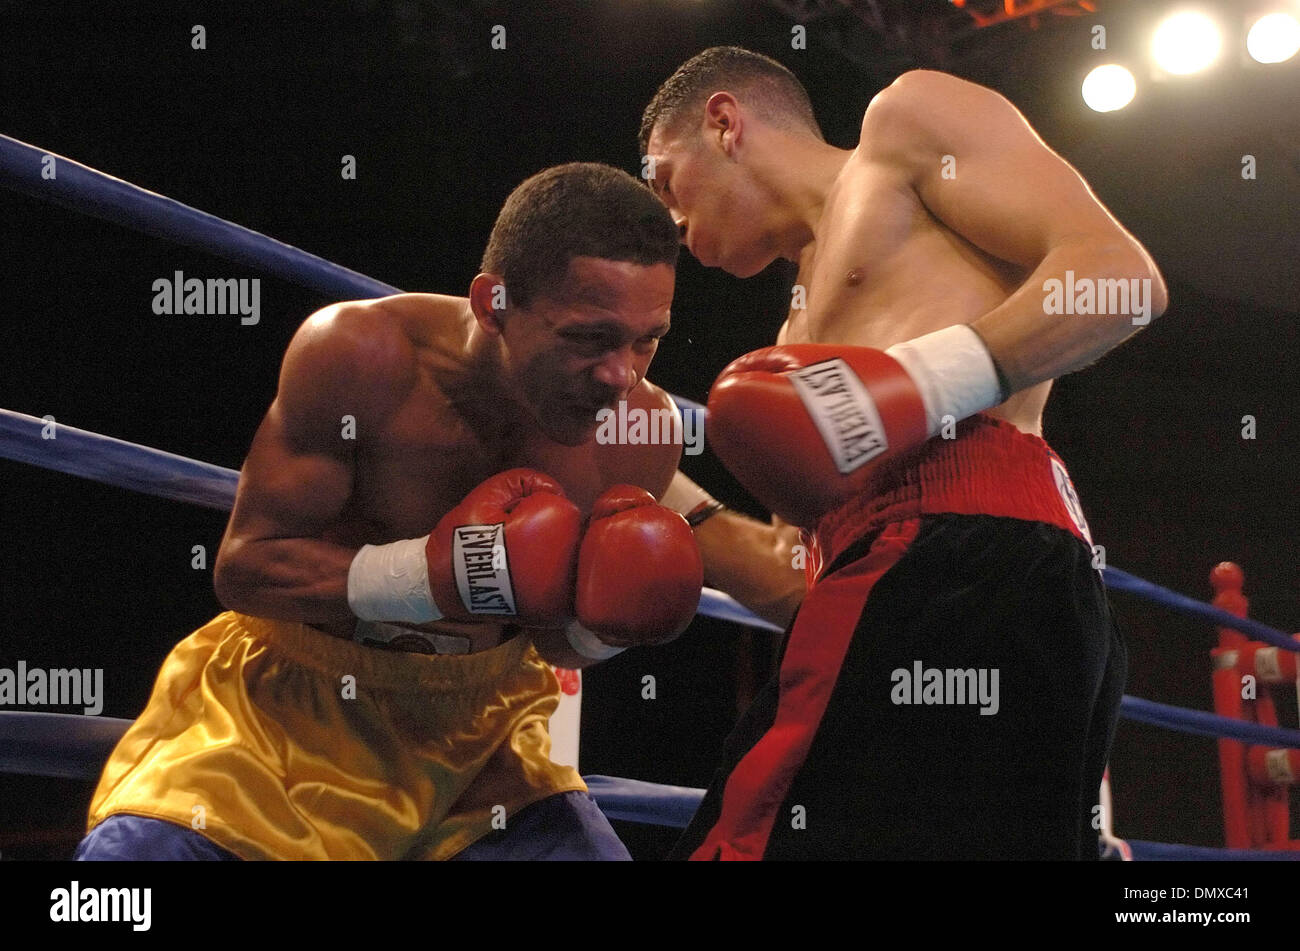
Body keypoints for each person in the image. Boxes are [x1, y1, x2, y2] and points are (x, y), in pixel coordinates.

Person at [74, 162, 708, 861]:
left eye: (647, 339)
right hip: (280, 723)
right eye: (589, 337)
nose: (622, 375)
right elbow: (245, 569)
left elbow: (555, 645)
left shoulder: (639, 433)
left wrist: (606, 627)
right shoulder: (362, 355)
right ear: (493, 304)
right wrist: (427, 577)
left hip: (480, 751)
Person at [639, 47, 1167, 860]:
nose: (670, 222)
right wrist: (664, 491)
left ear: (723, 123)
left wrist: (912, 386)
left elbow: (1120, 278)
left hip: (975, 561)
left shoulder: (904, 124)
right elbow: (808, 583)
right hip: (960, 592)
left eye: (666, 181)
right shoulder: (791, 352)